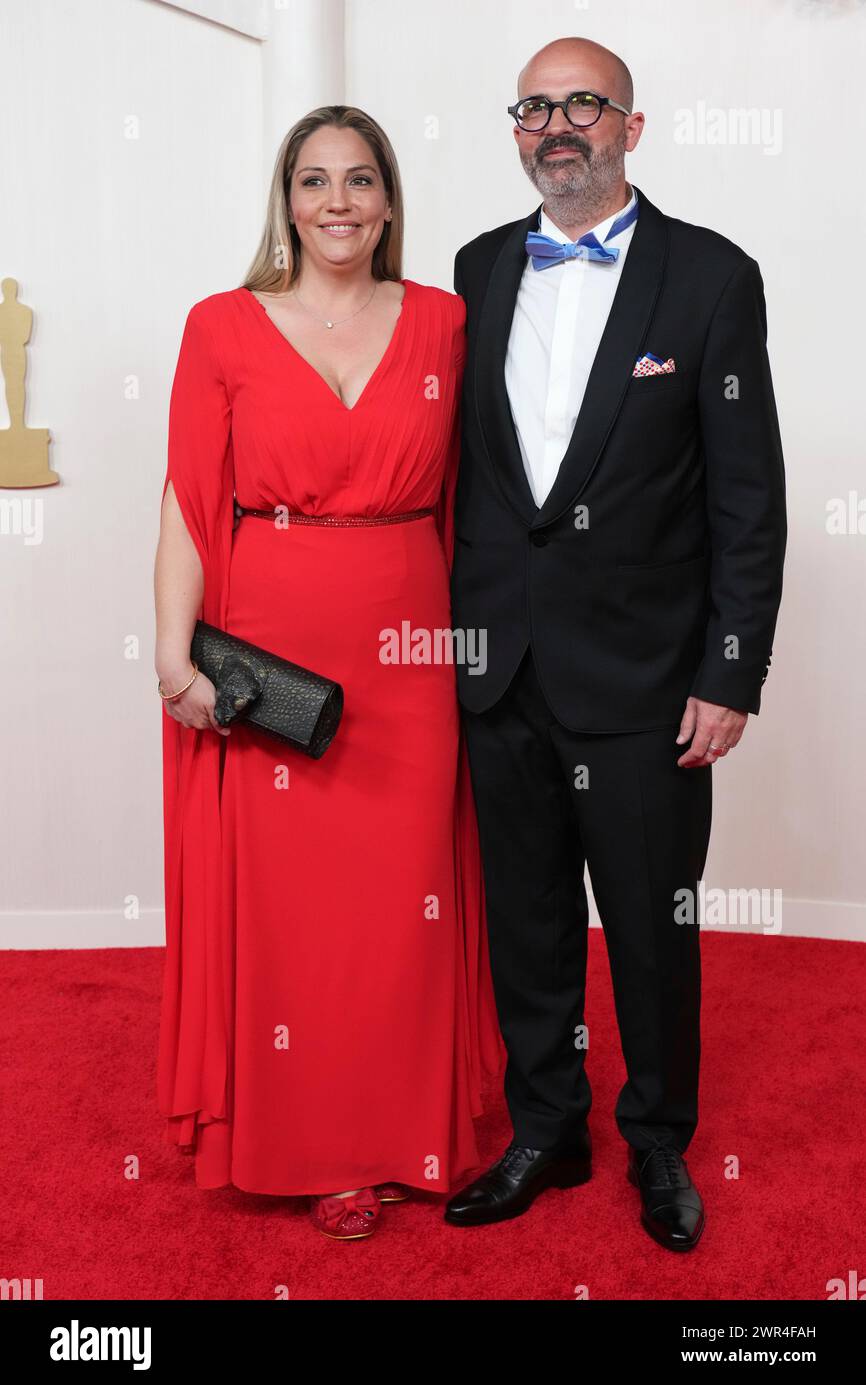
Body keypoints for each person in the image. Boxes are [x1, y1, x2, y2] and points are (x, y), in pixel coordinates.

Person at [445, 38, 786, 1250]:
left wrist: (728, 669)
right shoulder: (477, 268)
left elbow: (745, 492)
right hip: (499, 668)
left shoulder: (708, 277)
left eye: (582, 104)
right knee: (525, 921)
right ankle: (544, 1127)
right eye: (534, 107)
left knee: (648, 925)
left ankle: (656, 1143)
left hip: (647, 681)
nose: (557, 125)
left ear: (629, 128)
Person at [153, 104, 503, 1240]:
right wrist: (173, 655)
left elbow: (494, 497)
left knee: (407, 904)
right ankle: (311, 1149)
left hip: (410, 648)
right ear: (285, 201)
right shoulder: (221, 325)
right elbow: (189, 501)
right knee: (291, 913)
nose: (337, 204)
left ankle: (407, 1134)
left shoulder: (448, 322)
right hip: (271, 656)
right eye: (314, 182)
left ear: (390, 202)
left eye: (360, 181)